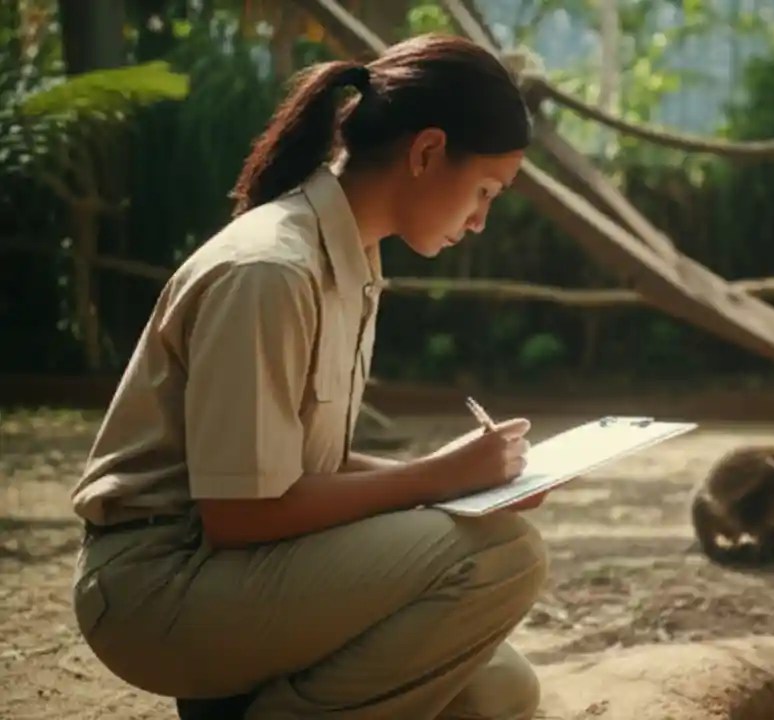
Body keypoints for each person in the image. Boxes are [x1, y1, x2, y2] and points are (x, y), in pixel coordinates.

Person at [68, 33, 552, 720]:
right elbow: (241, 513)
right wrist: (433, 482)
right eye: (484, 191)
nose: (479, 221)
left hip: (238, 571)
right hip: (162, 586)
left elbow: (293, 463)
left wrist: (449, 471)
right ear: (426, 153)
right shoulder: (271, 270)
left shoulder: (352, 262)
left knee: (498, 690)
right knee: (506, 557)